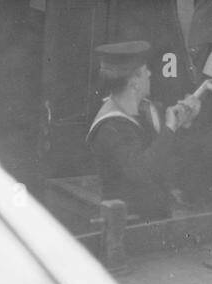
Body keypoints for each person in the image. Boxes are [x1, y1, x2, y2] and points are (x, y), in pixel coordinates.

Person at [86, 41, 203, 221]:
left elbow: (167, 151)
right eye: (144, 71)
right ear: (134, 84)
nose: (149, 73)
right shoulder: (110, 127)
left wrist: (184, 122)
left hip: (155, 217)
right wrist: (170, 128)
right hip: (130, 225)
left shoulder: (144, 110)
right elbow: (143, 171)